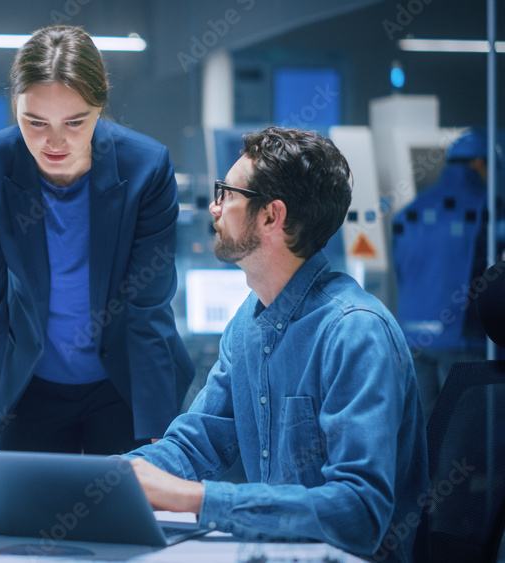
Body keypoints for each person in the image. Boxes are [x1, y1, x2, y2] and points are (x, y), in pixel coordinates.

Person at [0, 25, 194, 477]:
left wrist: (164, 447)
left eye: (76, 122)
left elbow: (147, 310)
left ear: (99, 109)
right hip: (31, 388)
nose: (55, 143)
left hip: (127, 389)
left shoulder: (145, 167)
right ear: (15, 105)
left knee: (131, 529)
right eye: (35, 122)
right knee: (23, 533)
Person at [124, 127, 429, 563]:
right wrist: (106, 481)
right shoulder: (248, 323)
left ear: (271, 216)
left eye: (226, 193)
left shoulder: (355, 332)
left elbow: (358, 514)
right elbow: (196, 443)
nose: (214, 206)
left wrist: (195, 499)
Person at [392, 128, 505, 420]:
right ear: (479, 164)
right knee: (466, 436)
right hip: (463, 340)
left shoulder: (410, 212)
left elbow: (402, 271)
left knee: (426, 434)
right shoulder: (490, 208)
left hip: (413, 338)